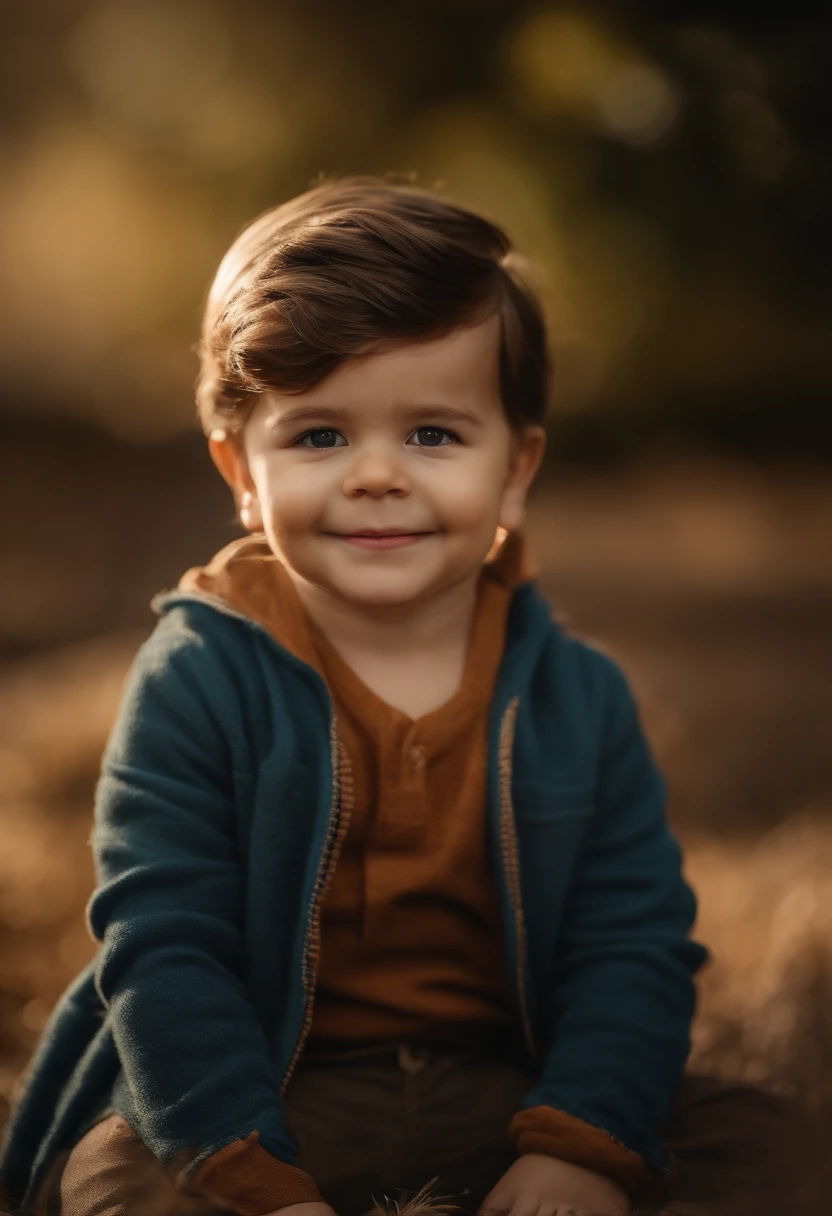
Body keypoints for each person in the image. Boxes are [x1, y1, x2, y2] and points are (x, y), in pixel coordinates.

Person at [0, 177, 816, 1216]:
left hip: (500, 1082)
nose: (376, 474)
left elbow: (631, 944)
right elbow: (166, 947)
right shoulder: (200, 675)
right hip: (271, 1089)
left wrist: (582, 1141)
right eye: (320, 436)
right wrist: (250, 1173)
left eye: (433, 433)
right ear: (238, 471)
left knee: (774, 1143)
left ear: (515, 468)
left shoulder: (576, 694)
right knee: (120, 1182)